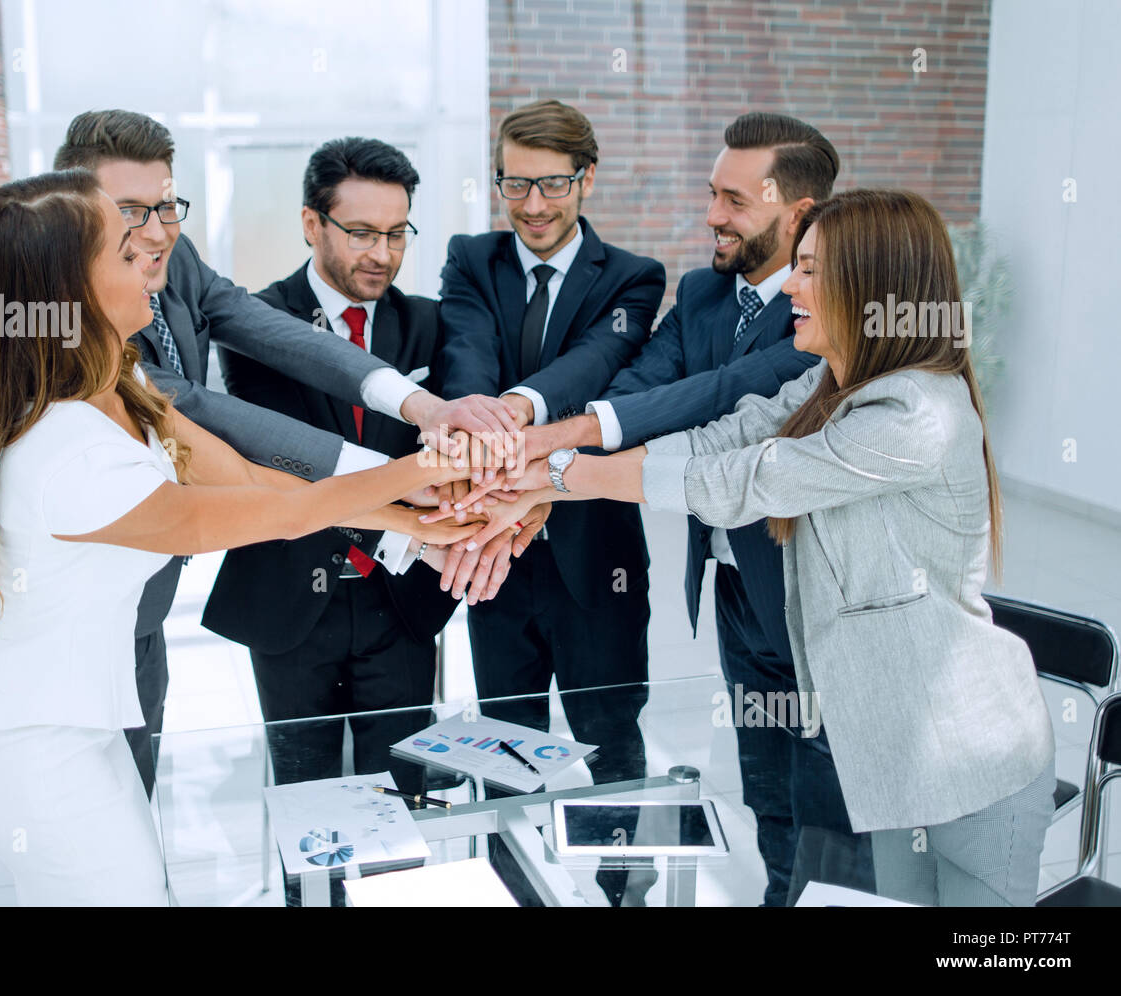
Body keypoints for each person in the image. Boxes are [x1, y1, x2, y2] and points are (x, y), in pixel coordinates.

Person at [484, 188, 1056, 907]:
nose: (790, 284)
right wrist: (557, 475)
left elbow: (747, 480)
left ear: (870, 285)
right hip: (897, 758)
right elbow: (727, 436)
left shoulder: (917, 412)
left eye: (812, 270)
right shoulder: (831, 380)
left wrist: (560, 475)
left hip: (974, 756)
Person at [0, 168, 476, 905]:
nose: (153, 251)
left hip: (80, 725)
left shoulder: (122, 382)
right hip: (32, 746)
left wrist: (412, 525)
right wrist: (429, 466)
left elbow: (252, 483)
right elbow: (281, 518)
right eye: (125, 253)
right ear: (74, 295)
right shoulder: (67, 451)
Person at [52, 111, 518, 797]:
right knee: (101, 821)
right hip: (85, 624)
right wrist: (397, 490)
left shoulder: (168, 256)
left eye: (164, 206)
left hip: (148, 607)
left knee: (136, 808)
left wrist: (419, 407)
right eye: (130, 212)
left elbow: (259, 327)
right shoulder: (76, 333)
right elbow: (198, 412)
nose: (155, 232)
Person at [510, 112, 868, 905]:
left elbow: (721, 401)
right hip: (737, 584)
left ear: (799, 213)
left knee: (831, 798)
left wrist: (559, 458)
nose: (712, 215)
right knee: (765, 782)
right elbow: (646, 386)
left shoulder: (831, 313)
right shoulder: (706, 291)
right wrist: (556, 469)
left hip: (815, 591)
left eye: (735, 201)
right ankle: (780, 894)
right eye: (713, 193)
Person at [203, 137, 548, 798]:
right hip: (291, 595)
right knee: (308, 809)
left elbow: (461, 454)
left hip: (403, 603)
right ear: (312, 223)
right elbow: (284, 461)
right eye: (361, 232)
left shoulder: (432, 325)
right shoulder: (257, 323)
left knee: (398, 804)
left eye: (397, 233)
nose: (383, 253)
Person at [436, 99, 665, 905]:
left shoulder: (635, 278)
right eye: (514, 184)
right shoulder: (472, 259)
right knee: (505, 743)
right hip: (496, 550)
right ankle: (516, 890)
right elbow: (463, 353)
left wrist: (516, 415)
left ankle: (621, 888)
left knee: (610, 737)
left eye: (552, 185)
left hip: (593, 554)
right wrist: (480, 418)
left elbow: (597, 364)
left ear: (586, 179)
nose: (532, 205)